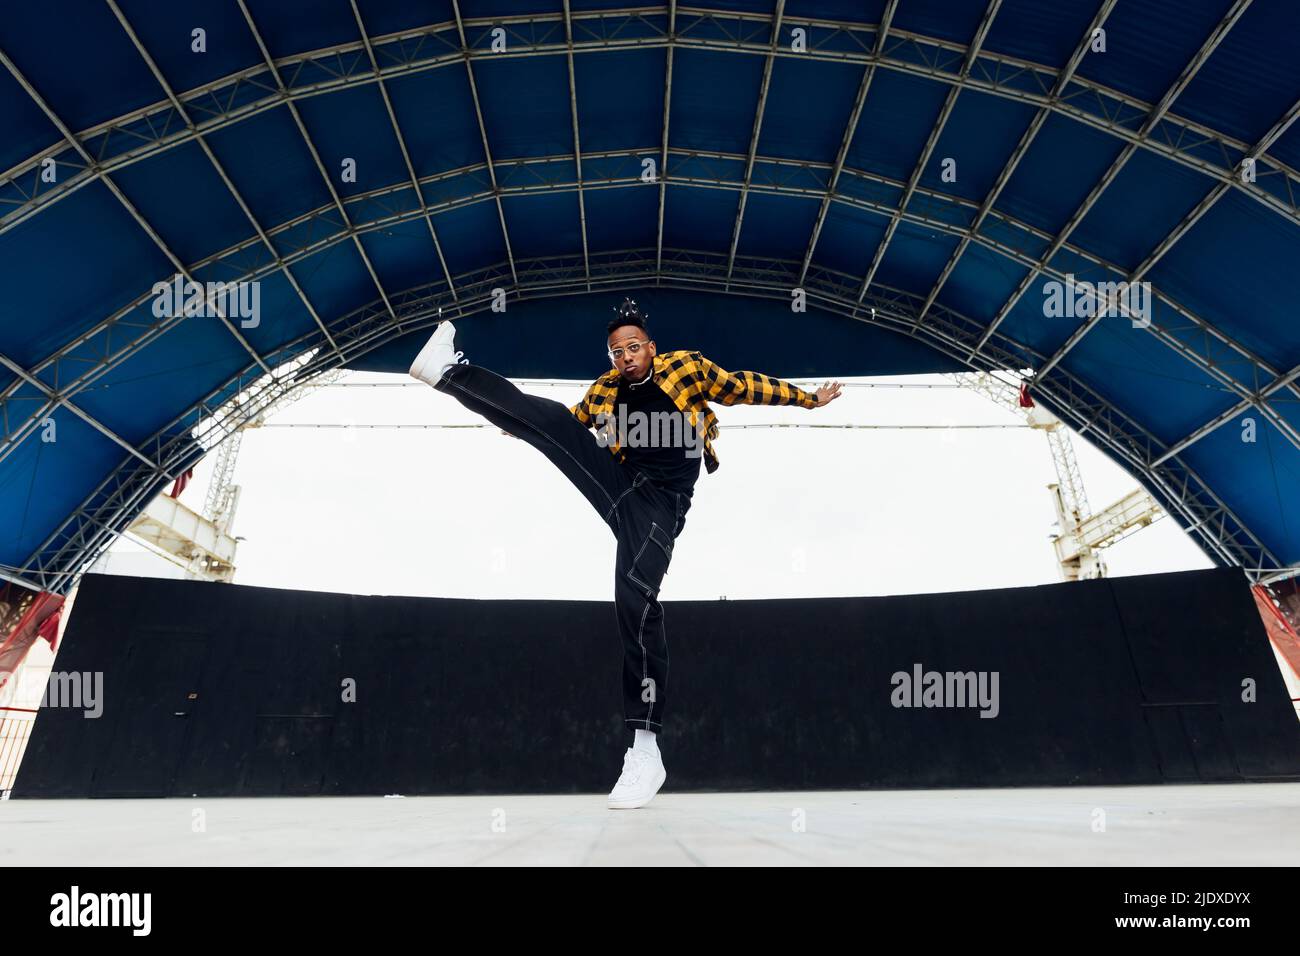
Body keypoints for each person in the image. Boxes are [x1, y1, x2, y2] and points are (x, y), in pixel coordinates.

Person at [409, 297, 843, 808]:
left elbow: (743, 385)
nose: (624, 356)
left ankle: (645, 749)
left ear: (651, 348)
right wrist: (521, 419)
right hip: (618, 485)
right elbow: (568, 424)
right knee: (552, 424)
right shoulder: (605, 390)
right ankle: (447, 374)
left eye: (633, 347)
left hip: (661, 504)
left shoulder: (686, 369)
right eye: (616, 351)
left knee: (634, 601)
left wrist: (808, 399)